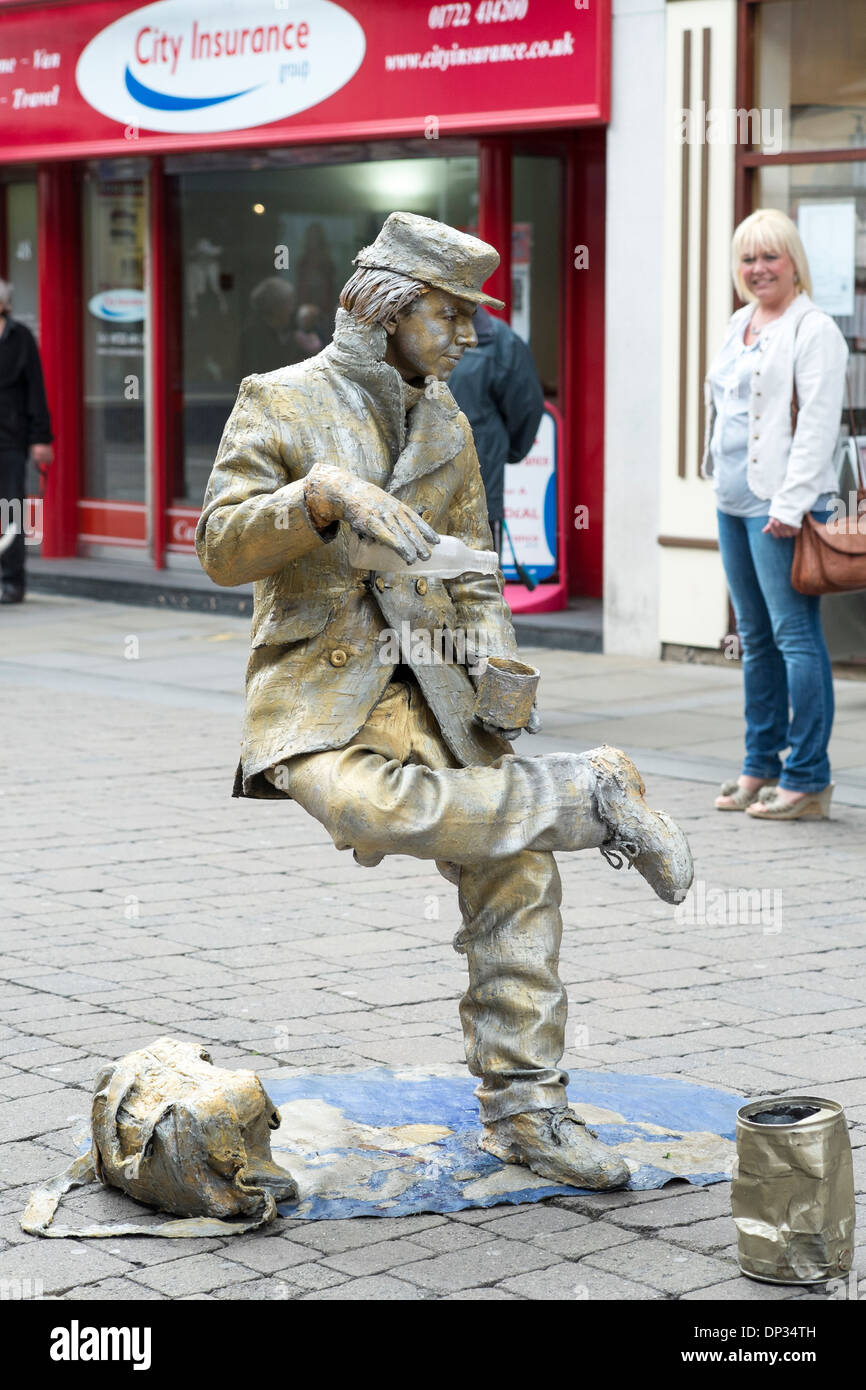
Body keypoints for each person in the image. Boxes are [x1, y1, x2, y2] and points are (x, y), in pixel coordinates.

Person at [197, 212, 692, 1191]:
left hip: (437, 695)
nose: (468, 340)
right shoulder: (281, 401)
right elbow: (218, 544)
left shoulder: (448, 422)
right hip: (321, 696)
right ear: (389, 307)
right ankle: (589, 793)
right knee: (359, 804)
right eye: (450, 317)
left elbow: (471, 576)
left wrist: (500, 667)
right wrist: (319, 497)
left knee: (517, 871)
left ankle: (527, 1116)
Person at [705, 209, 847, 820]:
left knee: (795, 639)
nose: (758, 269)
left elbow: (817, 425)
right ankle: (759, 763)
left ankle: (808, 776)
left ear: (794, 262)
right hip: (732, 502)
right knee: (755, 640)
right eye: (748, 259)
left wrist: (789, 506)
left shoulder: (814, 329)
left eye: (770, 257)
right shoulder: (742, 320)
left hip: (779, 507)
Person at [448, 305, 544, 554]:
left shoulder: (500, 341)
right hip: (472, 478)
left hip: (477, 484)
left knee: (478, 571)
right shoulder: (500, 340)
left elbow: (525, 407)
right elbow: (526, 407)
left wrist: (506, 450)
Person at [0, 279, 53, 605]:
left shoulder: (20, 338)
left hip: (9, 440)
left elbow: (36, 390)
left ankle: (11, 580)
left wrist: (40, 438)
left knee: (10, 510)